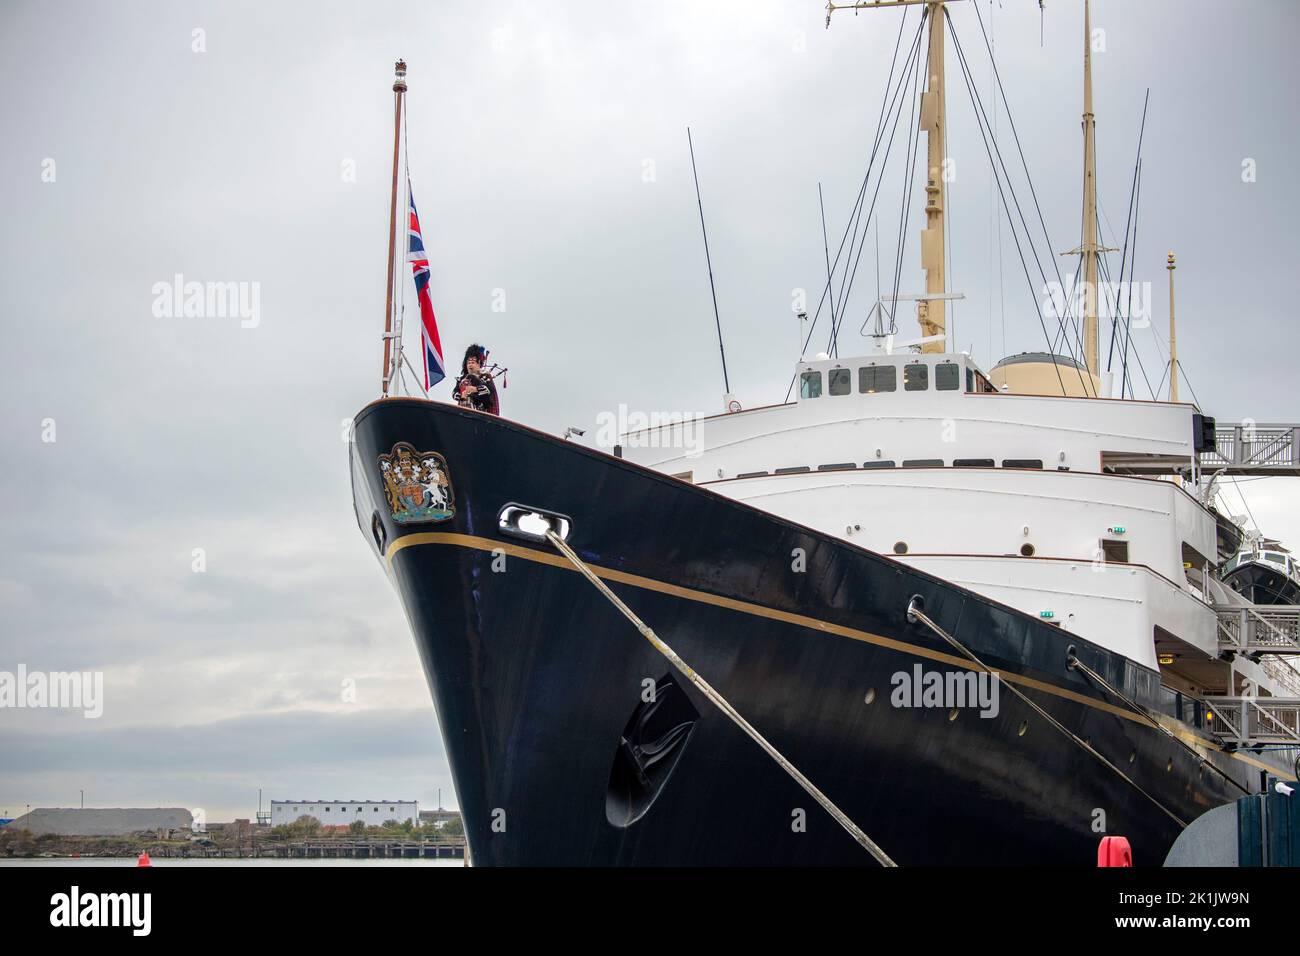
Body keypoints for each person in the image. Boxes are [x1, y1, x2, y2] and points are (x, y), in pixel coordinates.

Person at [452, 343, 500, 415]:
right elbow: (454, 393)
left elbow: (490, 389)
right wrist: (461, 395)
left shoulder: (485, 376)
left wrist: (475, 389)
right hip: (462, 411)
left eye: (473, 362)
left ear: (479, 364)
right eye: (468, 363)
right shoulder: (461, 379)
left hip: (480, 412)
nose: (470, 365)